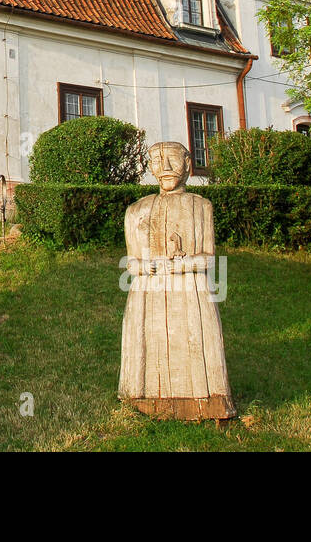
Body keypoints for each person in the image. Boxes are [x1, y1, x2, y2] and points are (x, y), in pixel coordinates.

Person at [118, 140, 235, 420]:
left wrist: (179, 264)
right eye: (158, 161)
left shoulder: (200, 206)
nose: (166, 167)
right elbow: (132, 263)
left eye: (172, 159)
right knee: (149, 344)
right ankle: (142, 394)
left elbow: (208, 258)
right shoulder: (136, 211)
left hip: (192, 294)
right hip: (149, 293)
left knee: (195, 341)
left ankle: (206, 397)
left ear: (188, 164)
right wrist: (155, 267)